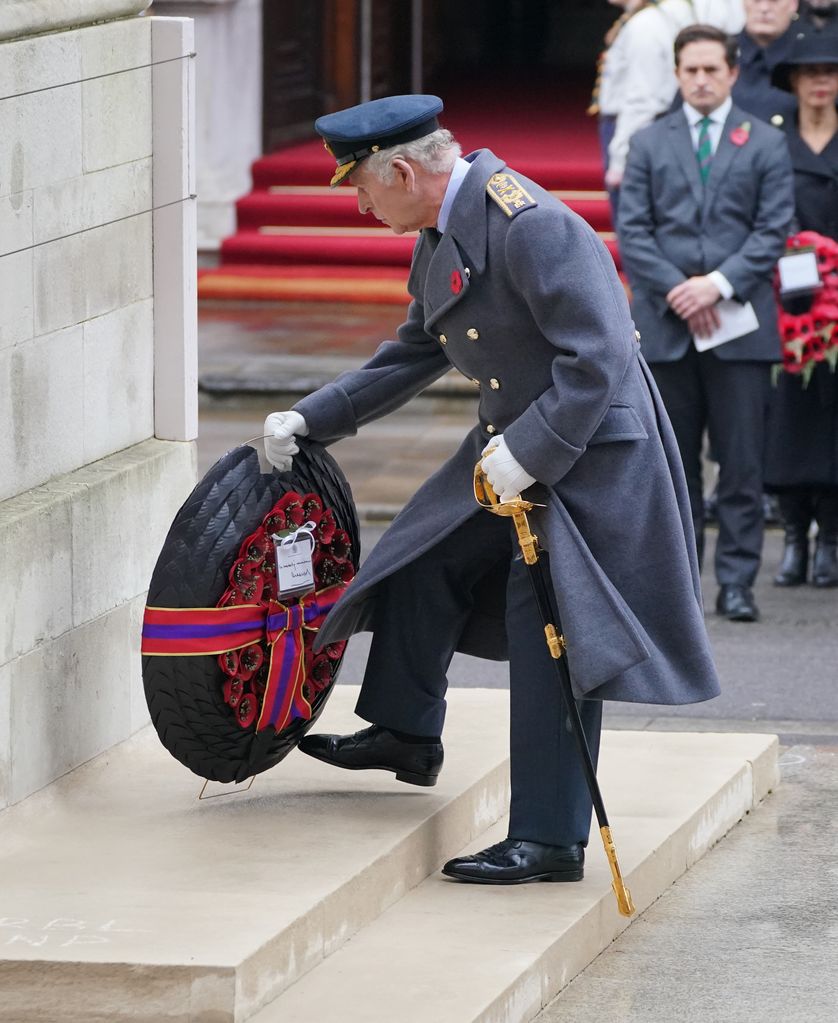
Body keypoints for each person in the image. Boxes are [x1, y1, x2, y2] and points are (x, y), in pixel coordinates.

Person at [263, 94, 720, 885]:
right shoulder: (444, 230)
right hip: (514, 448)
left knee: (550, 627)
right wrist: (313, 417)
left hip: (586, 461)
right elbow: (412, 352)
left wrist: (535, 452)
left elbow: (602, 353)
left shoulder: (530, 223)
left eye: (362, 189)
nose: (362, 205)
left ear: (404, 171)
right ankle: (406, 730)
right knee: (422, 553)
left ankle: (547, 838)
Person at [617, 25, 795, 623]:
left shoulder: (766, 144)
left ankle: (738, 581)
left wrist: (715, 285)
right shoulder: (647, 142)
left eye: (710, 70)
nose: (699, 80)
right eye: (689, 70)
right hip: (666, 327)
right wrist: (677, 289)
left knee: (742, 463)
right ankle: (680, 585)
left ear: (732, 72)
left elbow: (774, 228)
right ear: (676, 74)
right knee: (674, 466)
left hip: (740, 327)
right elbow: (633, 231)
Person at [764, 33, 838, 586]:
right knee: (790, 415)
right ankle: (794, 534)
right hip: (786, 297)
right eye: (809, 71)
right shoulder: (773, 140)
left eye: (830, 72)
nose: (820, 81)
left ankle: (831, 539)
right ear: (792, 80)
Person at [603, 0, 745, 196]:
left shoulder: (647, 23)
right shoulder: (676, 12)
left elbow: (642, 99)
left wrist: (620, 158)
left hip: (640, 127)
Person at [733, 0, 801, 126]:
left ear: (793, 4)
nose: (764, 8)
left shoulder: (810, 57)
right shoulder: (720, 53)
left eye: (774, 1)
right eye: (756, 0)